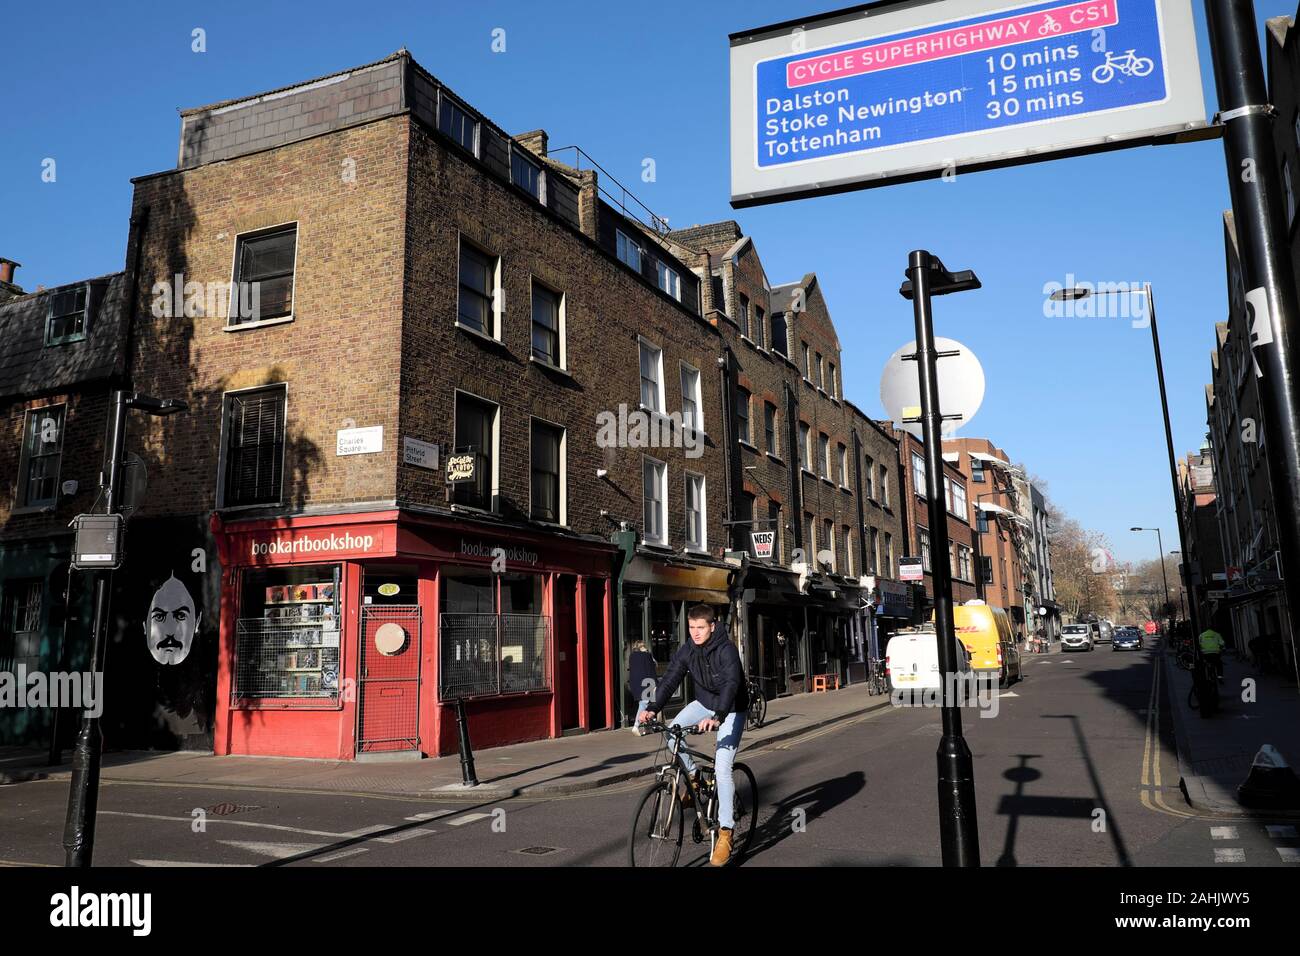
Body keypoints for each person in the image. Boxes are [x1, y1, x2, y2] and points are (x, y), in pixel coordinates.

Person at [638, 604, 748, 866]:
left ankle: (725, 832)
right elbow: (670, 678)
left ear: (712, 626)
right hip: (703, 703)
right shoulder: (688, 649)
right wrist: (653, 708)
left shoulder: (727, 650)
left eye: (700, 627)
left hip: (730, 708)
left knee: (722, 768)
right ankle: (696, 778)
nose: (695, 633)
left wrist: (718, 716)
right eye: (691, 627)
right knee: (673, 731)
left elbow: (732, 684)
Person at [626, 640, 658, 731]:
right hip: (647, 683)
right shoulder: (647, 655)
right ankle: (636, 725)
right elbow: (651, 670)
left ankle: (648, 726)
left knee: (645, 703)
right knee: (644, 703)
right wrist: (655, 684)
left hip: (635, 683)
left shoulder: (631, 656)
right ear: (643, 647)